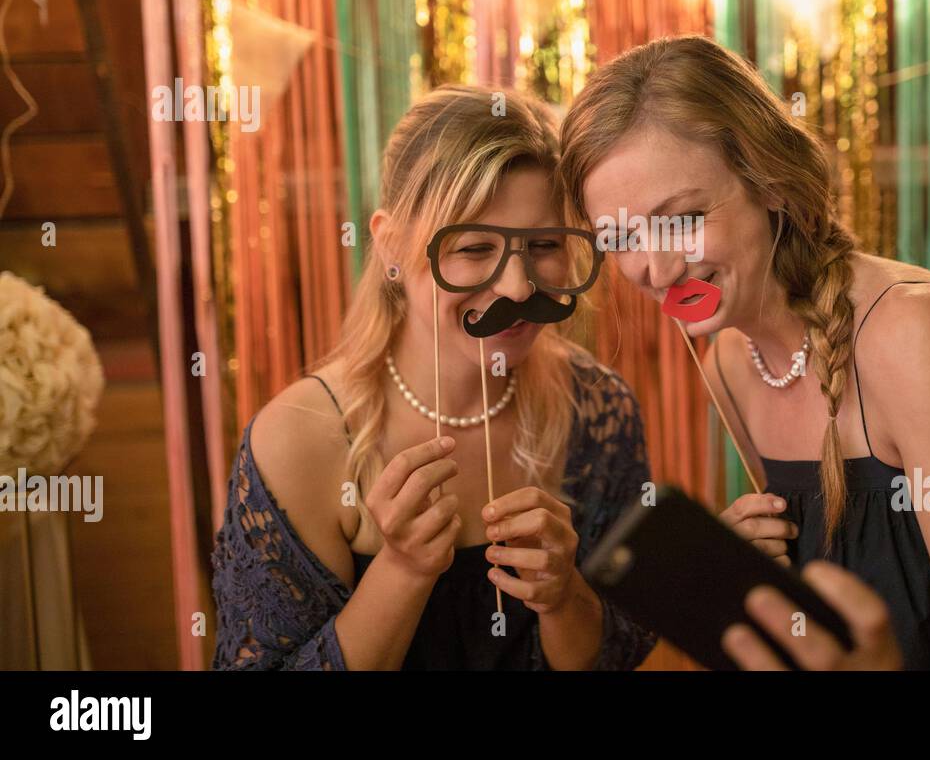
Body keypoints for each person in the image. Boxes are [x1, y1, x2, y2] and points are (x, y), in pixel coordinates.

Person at [559, 35, 930, 670]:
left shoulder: (912, 337)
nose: (655, 268)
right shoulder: (732, 367)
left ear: (768, 180)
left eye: (681, 218)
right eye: (622, 236)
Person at [211, 85, 655, 670]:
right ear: (393, 246)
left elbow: (620, 659)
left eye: (544, 244)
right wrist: (402, 570)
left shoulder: (596, 411)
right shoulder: (300, 440)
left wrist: (562, 595)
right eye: (473, 248)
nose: (518, 289)